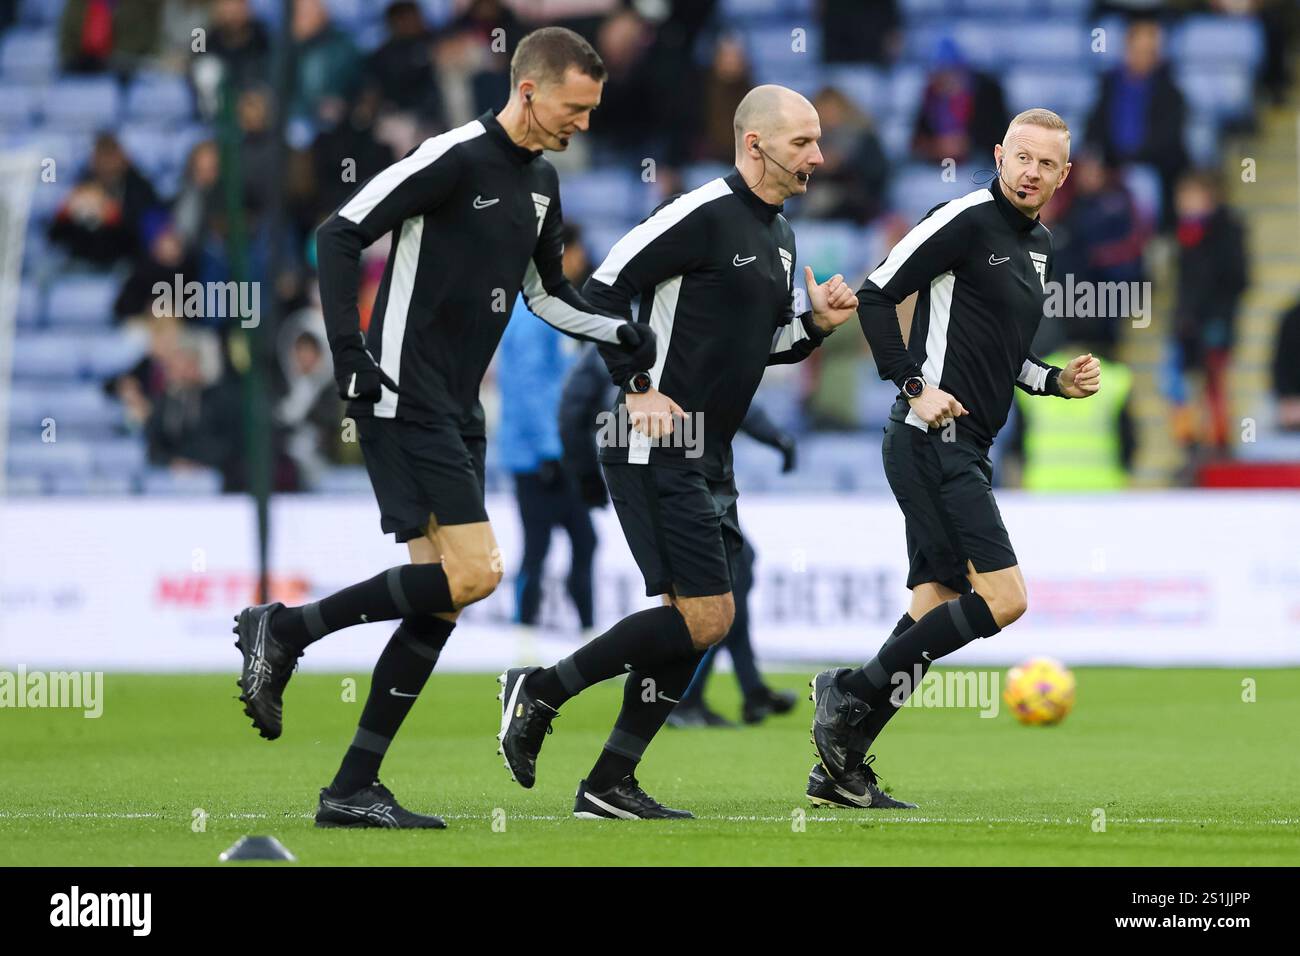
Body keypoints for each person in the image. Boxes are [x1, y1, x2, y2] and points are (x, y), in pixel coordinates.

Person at [229, 27, 656, 830]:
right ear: (529, 90)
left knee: (444, 598)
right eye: (576, 107)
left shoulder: (540, 185)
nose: (584, 124)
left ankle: (352, 787)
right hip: (399, 392)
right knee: (477, 572)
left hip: (458, 405)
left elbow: (544, 295)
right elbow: (338, 232)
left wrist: (616, 331)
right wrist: (348, 354)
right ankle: (282, 628)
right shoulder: (454, 156)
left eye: (593, 110)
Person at [496, 84, 860, 820]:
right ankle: (540, 688)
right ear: (754, 144)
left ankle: (607, 782)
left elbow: (766, 350)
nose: (819, 156)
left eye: (819, 141)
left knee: (690, 623)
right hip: (648, 443)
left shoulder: (781, 238)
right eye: (803, 143)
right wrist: (634, 384)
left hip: (705, 455)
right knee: (707, 617)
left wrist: (815, 326)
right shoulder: (697, 213)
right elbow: (597, 293)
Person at [808, 108, 1102, 810]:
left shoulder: (1039, 245)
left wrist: (1056, 382)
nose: (1032, 171)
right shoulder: (965, 217)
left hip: (967, 443)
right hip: (927, 438)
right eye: (1021, 157)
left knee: (932, 607)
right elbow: (878, 293)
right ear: (999, 155)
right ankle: (846, 691)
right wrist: (913, 384)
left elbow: (1005, 359)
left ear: (1064, 174)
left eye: (1047, 164)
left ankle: (839, 767)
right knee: (1005, 599)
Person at [497, 224, 597, 631]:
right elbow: (527, 388)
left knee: (582, 541)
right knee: (540, 547)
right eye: (576, 252)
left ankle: (585, 630)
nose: (581, 260)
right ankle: (523, 633)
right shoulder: (535, 311)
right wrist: (550, 449)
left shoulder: (549, 306)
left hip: (551, 450)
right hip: (536, 455)